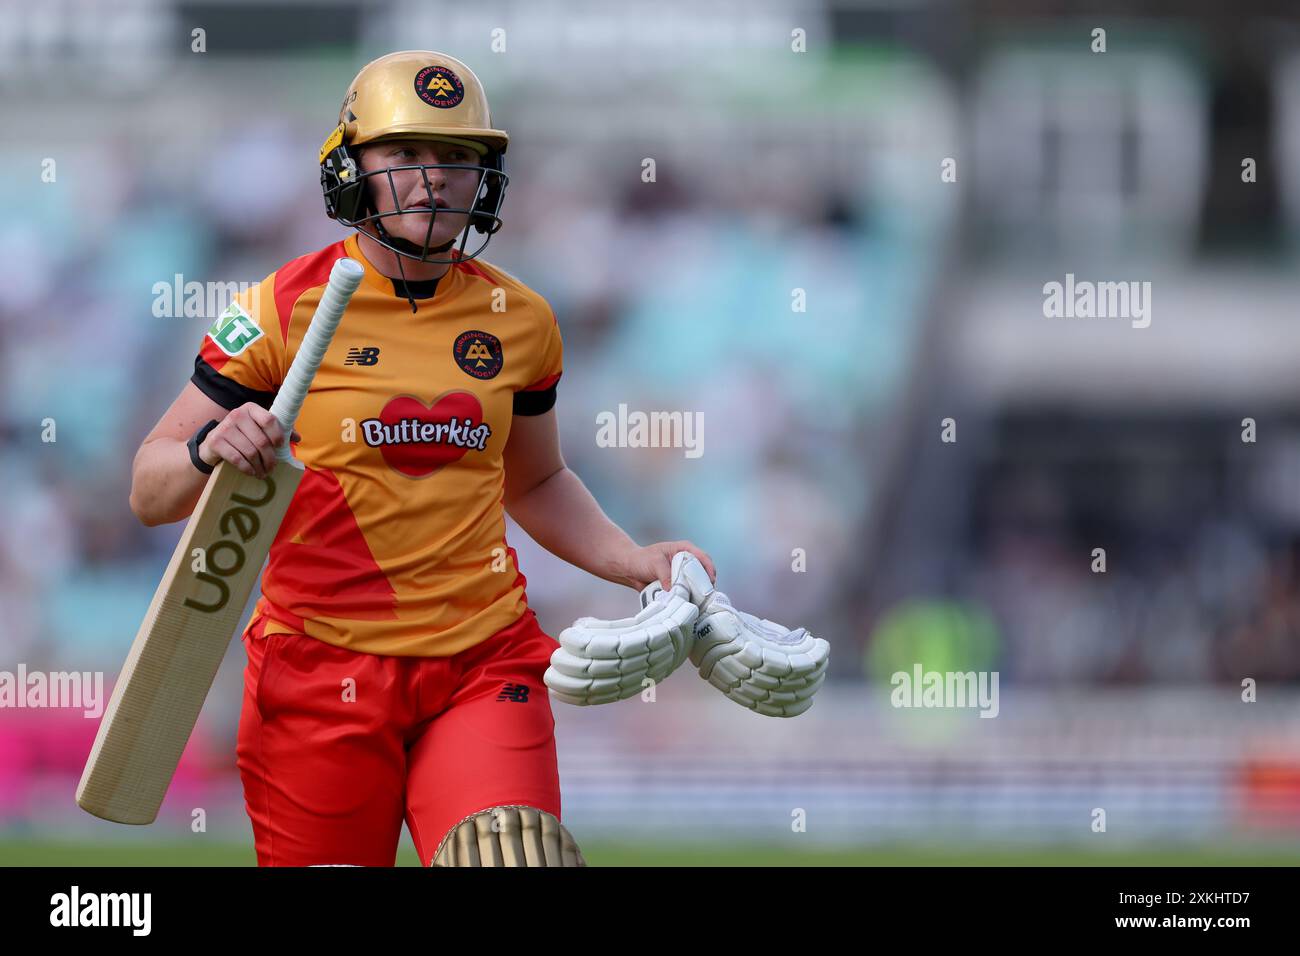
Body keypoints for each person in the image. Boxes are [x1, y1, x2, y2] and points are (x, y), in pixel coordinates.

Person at [126, 50, 716, 867]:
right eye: (405, 155)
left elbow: (537, 479)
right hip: (317, 674)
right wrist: (207, 449)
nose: (433, 178)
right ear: (352, 167)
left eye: (457, 158)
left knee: (514, 855)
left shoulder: (521, 319)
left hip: (481, 662)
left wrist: (633, 558)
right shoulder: (278, 308)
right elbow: (151, 489)